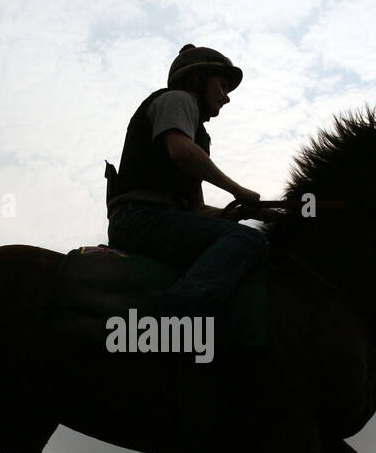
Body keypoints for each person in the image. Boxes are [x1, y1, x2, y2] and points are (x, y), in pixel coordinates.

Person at [105, 44, 267, 318]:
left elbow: (195, 210)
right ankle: (176, 317)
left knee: (242, 235)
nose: (226, 98)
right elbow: (180, 150)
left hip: (157, 220)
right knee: (247, 241)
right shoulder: (177, 99)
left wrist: (238, 214)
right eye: (223, 86)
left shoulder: (200, 136)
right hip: (138, 219)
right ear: (197, 79)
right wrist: (237, 191)